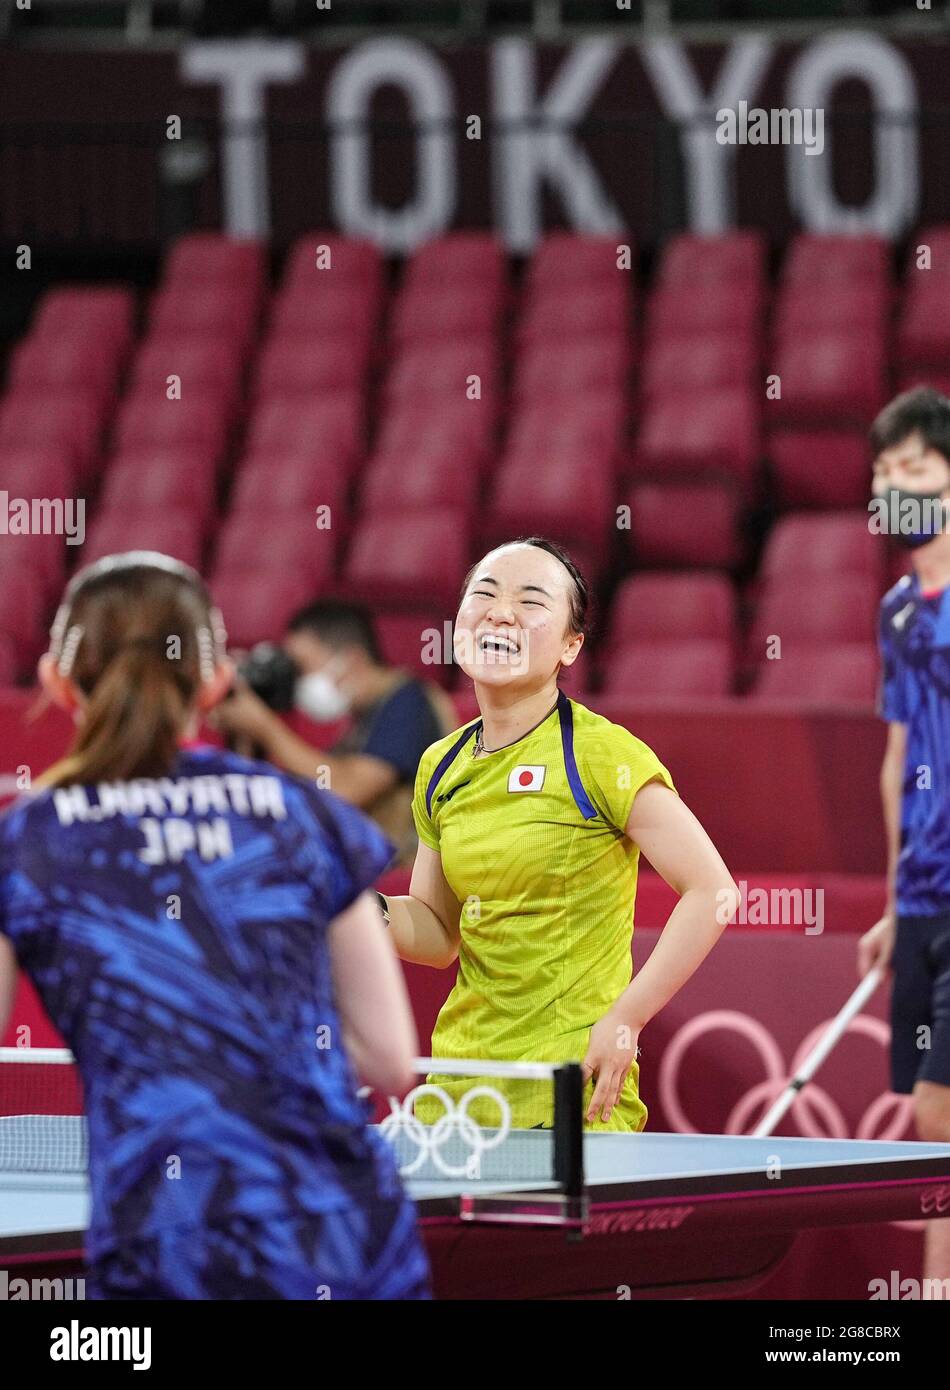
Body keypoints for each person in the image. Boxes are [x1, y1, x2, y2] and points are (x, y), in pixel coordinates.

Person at [0, 551, 430, 1300]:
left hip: (168, 1250)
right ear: (217, 679)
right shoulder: (306, 816)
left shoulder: (28, 842)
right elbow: (390, 1060)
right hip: (350, 1241)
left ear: (58, 680)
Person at [376, 536, 739, 1131]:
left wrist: (628, 1018)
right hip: (461, 1093)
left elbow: (713, 892)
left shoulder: (599, 754)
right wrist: (361, 910)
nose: (500, 612)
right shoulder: (440, 765)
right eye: (484, 594)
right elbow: (438, 932)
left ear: (572, 646)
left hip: (572, 1095)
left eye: (531, 601)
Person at [859, 386, 950, 1291]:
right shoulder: (895, 609)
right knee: (938, 1131)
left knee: (940, 1110)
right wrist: (892, 903)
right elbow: (898, 760)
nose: (898, 486)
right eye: (886, 472)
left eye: (917, 469)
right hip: (924, 894)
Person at [215, 599, 455, 865]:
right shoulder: (361, 718)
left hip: (401, 885)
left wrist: (264, 727)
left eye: (303, 667)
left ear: (351, 660)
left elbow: (344, 790)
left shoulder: (408, 702)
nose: (298, 682)